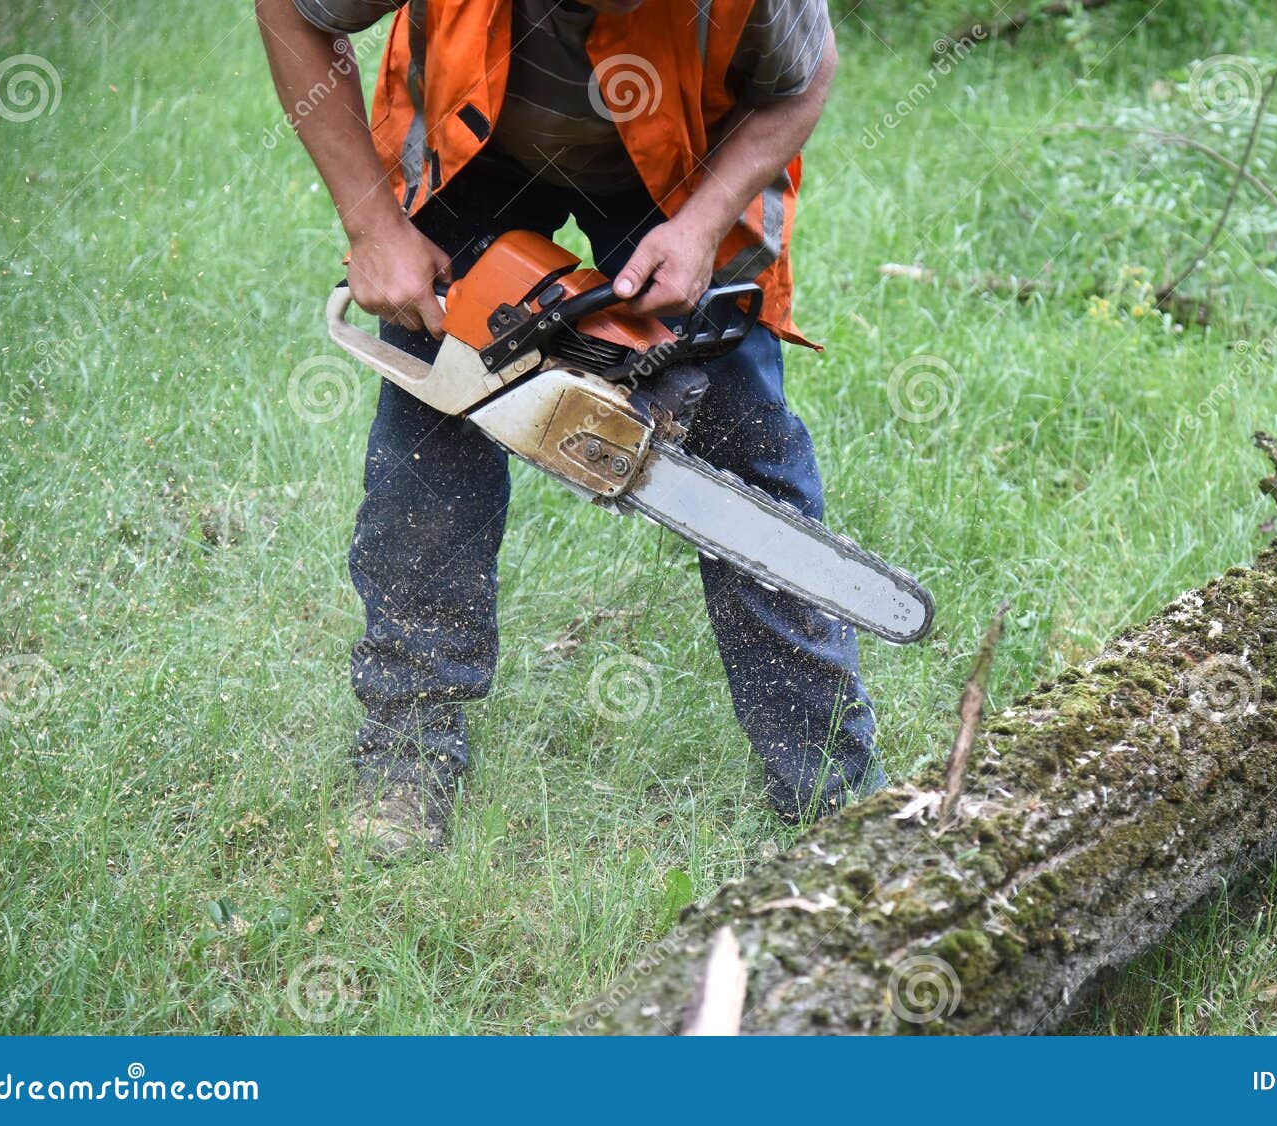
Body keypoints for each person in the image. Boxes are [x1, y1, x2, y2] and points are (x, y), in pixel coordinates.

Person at [255, 0, 884, 855]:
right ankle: (406, 751)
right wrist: (375, 225)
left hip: (678, 161)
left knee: (741, 438)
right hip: (471, 142)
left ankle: (829, 778)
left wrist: (702, 229)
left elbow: (804, 77)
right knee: (430, 437)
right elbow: (292, 13)